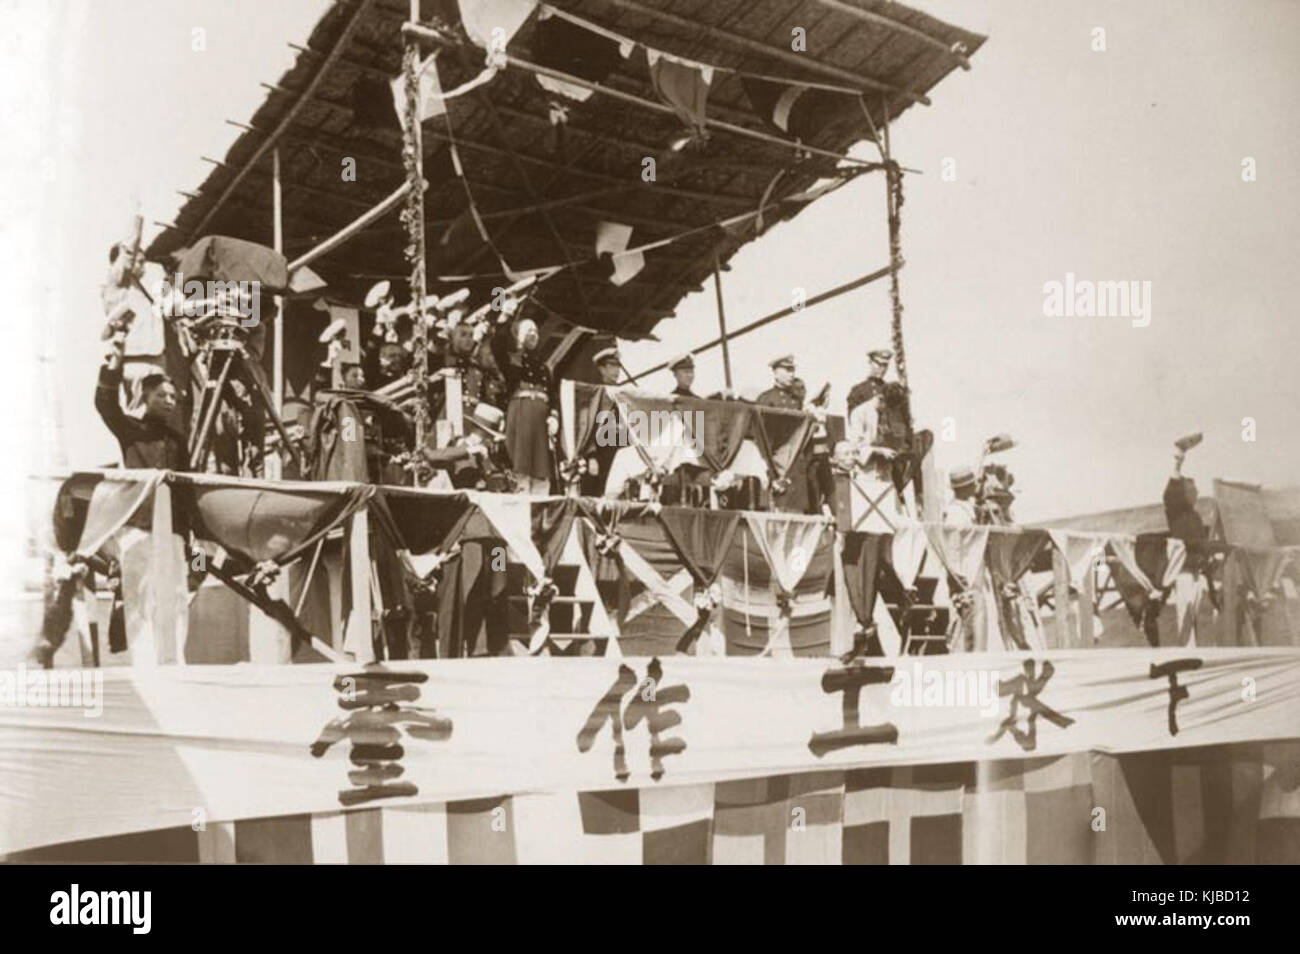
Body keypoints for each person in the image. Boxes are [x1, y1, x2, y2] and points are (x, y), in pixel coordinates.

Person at [95, 339, 187, 471]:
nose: (169, 401)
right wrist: (115, 362)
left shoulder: (177, 441)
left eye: (173, 397)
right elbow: (106, 404)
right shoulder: (130, 429)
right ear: (145, 397)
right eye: (161, 395)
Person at [490, 314, 557, 494]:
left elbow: (553, 395)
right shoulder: (512, 360)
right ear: (518, 336)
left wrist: (554, 416)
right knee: (522, 467)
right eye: (529, 331)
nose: (534, 334)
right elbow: (497, 344)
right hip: (521, 416)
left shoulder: (544, 367)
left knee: (541, 470)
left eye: (536, 331)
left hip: (541, 421)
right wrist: (504, 317)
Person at [847, 348, 893, 416]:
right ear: (870, 362)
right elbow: (854, 420)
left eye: (885, 365)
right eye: (879, 364)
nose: (882, 368)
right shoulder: (858, 391)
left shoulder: (891, 391)